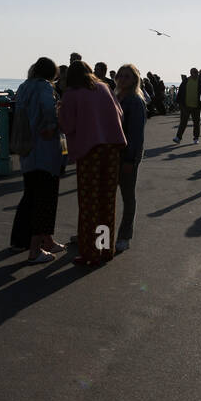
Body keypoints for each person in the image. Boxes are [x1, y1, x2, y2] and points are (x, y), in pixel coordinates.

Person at [58, 60, 127, 266]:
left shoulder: (71, 94)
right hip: (112, 149)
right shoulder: (104, 88)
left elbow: (67, 126)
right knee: (107, 201)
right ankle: (105, 248)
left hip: (90, 152)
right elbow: (120, 114)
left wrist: (60, 109)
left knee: (89, 204)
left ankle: (91, 253)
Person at [10, 57, 65, 262]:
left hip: (27, 149)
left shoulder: (24, 87)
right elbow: (48, 110)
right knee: (45, 198)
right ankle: (36, 248)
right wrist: (53, 124)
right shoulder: (44, 88)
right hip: (44, 149)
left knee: (32, 194)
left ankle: (45, 240)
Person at [115, 63, 148, 251]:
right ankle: (99, 234)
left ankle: (124, 236)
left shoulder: (135, 101)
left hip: (127, 155)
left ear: (135, 80)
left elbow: (136, 134)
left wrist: (130, 160)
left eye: (127, 76)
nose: (123, 79)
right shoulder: (115, 97)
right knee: (105, 197)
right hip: (111, 154)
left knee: (128, 197)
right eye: (121, 75)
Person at [174, 67, 201, 145]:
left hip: (196, 106)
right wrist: (178, 103)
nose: (195, 74)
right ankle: (178, 137)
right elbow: (180, 92)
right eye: (194, 73)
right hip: (185, 106)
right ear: (191, 73)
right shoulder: (186, 81)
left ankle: (196, 138)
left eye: (196, 73)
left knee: (196, 123)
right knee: (183, 122)